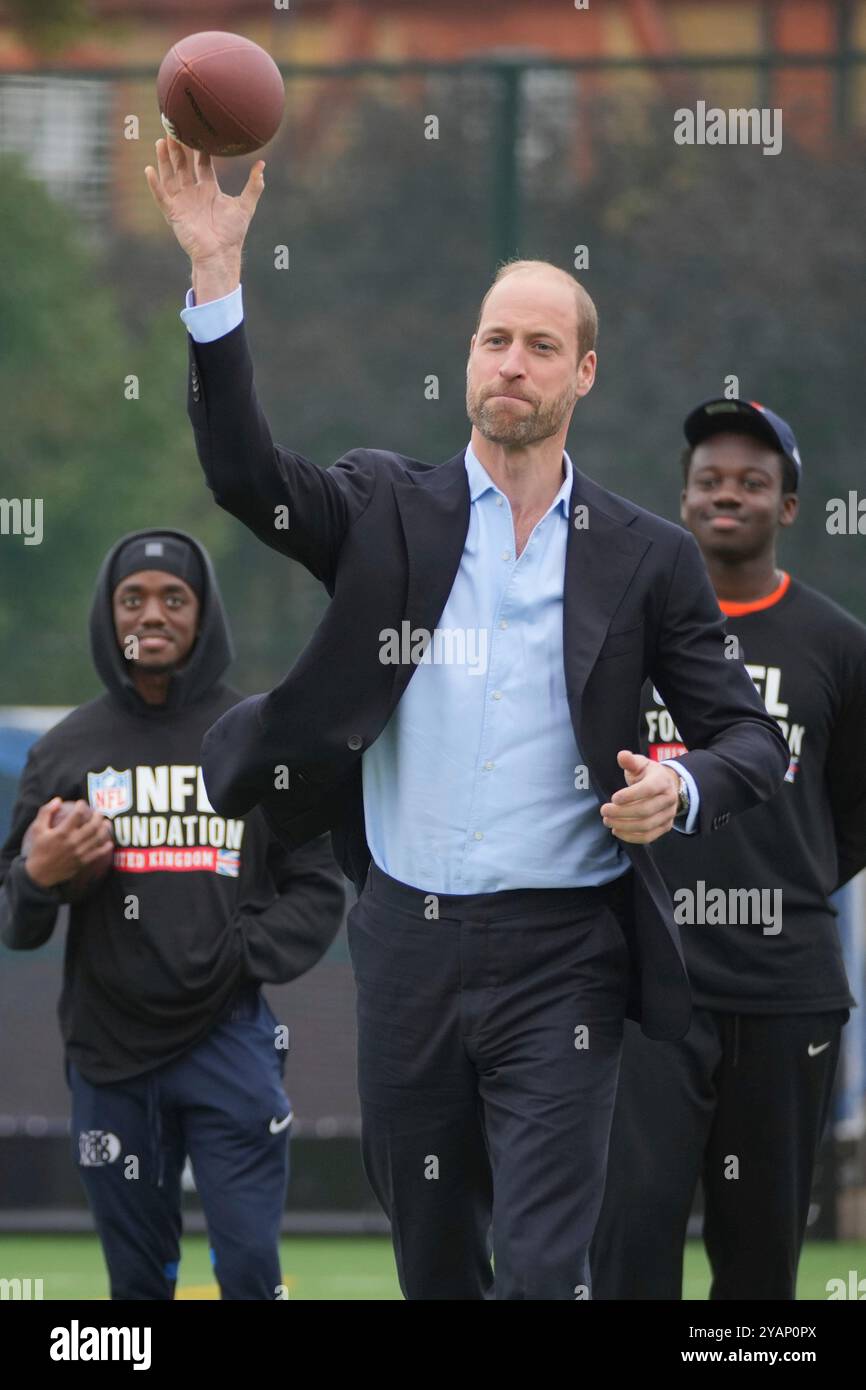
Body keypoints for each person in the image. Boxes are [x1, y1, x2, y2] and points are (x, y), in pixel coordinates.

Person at [145, 138, 789, 1300]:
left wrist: (678, 787)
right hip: (406, 942)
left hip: (568, 956)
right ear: (467, 360)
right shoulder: (384, 508)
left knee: (544, 1272)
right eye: (495, 339)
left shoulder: (646, 558)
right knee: (435, 1265)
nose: (512, 362)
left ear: (582, 374)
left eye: (541, 345)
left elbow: (750, 738)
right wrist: (214, 274)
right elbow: (244, 475)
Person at [0, 529, 345, 1300]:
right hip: (108, 1055)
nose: (151, 614)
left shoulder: (258, 737)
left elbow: (317, 884)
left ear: (203, 615)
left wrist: (238, 952)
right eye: (133, 599)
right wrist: (39, 874)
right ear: (109, 616)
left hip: (230, 1045)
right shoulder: (64, 752)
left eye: (173, 598)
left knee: (250, 1271)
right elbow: (15, 920)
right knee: (137, 1284)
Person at [591, 399, 866, 1300]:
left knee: (759, 1268)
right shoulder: (623, 635)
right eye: (710, 480)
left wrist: (787, 882)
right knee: (632, 1243)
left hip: (786, 990)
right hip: (647, 984)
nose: (728, 495)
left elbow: (853, 815)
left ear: (789, 506)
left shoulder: (838, 644)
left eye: (754, 482)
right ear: (683, 498)